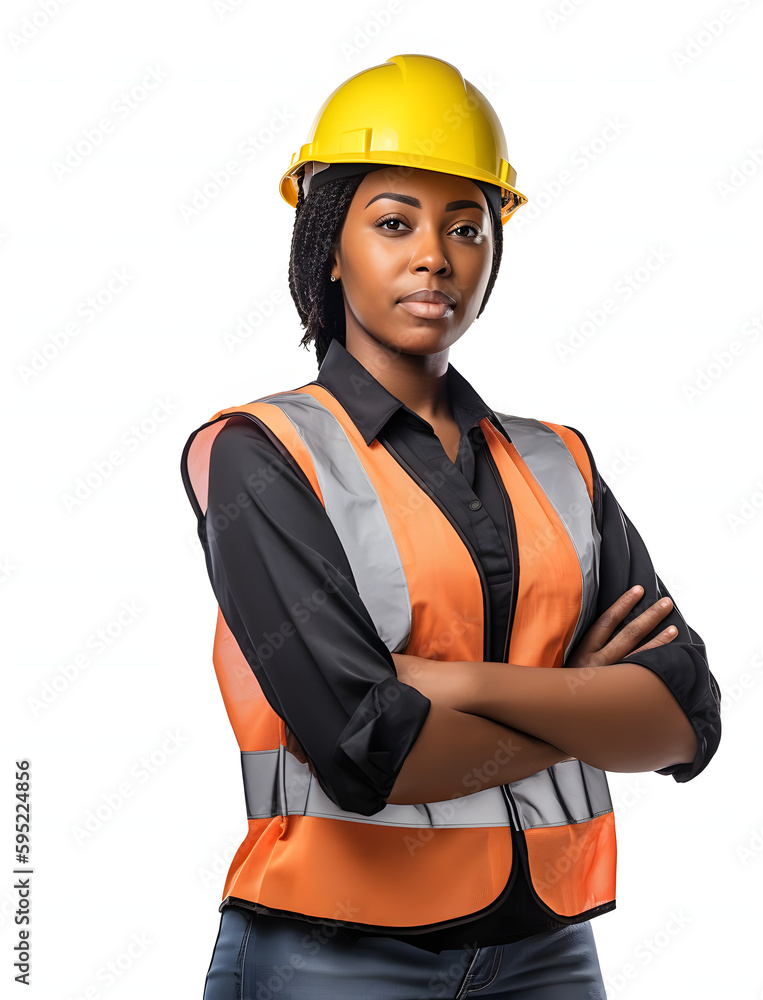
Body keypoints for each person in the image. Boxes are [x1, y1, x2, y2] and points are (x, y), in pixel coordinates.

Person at [180, 54, 722, 999]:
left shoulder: (560, 461)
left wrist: (460, 683)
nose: (436, 254)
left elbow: (686, 718)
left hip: (548, 953)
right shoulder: (261, 455)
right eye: (394, 222)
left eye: (466, 226)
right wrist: (587, 702)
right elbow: (372, 754)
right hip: (332, 954)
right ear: (330, 244)